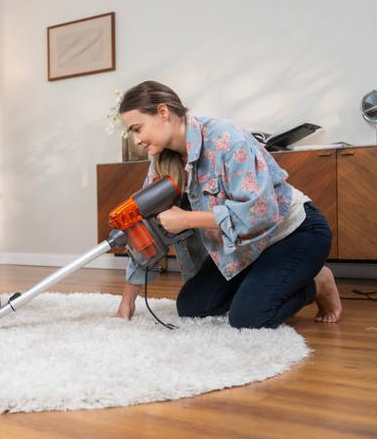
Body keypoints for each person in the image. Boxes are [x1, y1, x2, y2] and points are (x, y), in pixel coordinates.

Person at [114, 80, 342, 328]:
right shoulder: (162, 161)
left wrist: (186, 219)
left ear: (163, 112)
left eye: (137, 129)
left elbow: (259, 213)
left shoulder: (226, 139)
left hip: (292, 233)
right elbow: (145, 229)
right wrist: (128, 300)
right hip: (244, 248)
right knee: (191, 308)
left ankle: (319, 283)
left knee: (249, 318)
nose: (136, 140)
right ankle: (263, 282)